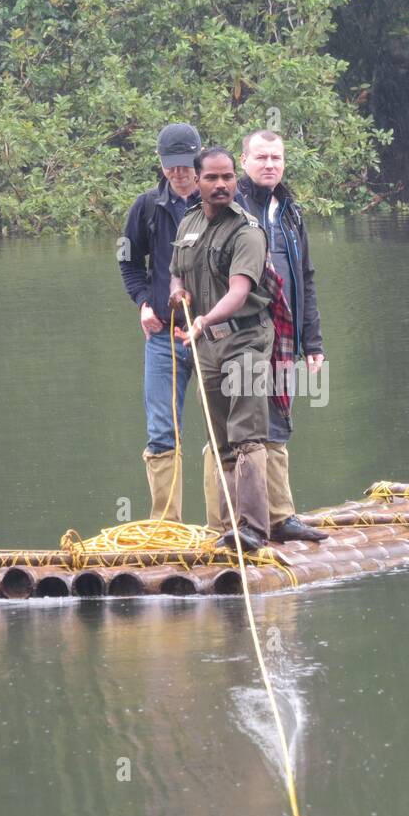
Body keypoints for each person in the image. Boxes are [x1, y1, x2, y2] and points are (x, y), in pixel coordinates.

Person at [167, 147, 274, 552]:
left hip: (245, 339)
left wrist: (204, 320)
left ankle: (253, 529)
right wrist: (178, 296)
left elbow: (239, 291)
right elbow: (176, 273)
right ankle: (231, 525)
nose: (221, 185)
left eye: (228, 177)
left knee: (246, 433)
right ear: (196, 181)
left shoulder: (247, 230)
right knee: (221, 437)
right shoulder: (190, 222)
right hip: (207, 345)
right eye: (211, 178)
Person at [224, 128, 328, 543]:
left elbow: (305, 278)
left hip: (285, 334)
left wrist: (314, 342)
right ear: (244, 160)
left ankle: (282, 517)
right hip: (242, 332)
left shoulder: (290, 211)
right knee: (244, 425)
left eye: (277, 158)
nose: (270, 165)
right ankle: (238, 524)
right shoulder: (230, 208)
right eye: (262, 157)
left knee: (279, 421)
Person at [119, 123, 202, 521]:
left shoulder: (220, 202)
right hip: (163, 337)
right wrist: (141, 303)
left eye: (186, 165)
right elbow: (128, 262)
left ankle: (228, 523)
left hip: (214, 335)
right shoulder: (146, 206)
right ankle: (166, 526)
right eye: (172, 166)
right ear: (161, 164)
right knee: (162, 432)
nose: (180, 173)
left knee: (225, 429)